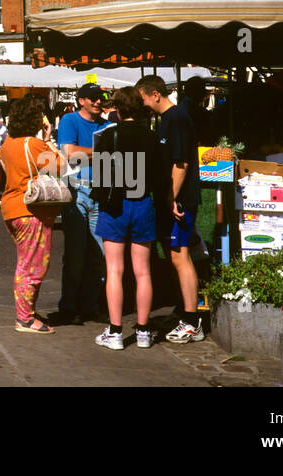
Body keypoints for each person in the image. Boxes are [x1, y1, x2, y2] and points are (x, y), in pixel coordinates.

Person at [92, 86, 159, 350]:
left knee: (114, 271)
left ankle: (116, 331)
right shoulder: (151, 137)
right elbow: (158, 176)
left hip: (115, 206)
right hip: (142, 202)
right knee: (143, 271)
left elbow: (100, 175)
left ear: (117, 109)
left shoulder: (109, 135)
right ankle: (143, 331)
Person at [138, 74, 203, 344]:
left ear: (155, 94)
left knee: (180, 256)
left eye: (143, 98)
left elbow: (181, 163)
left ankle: (192, 321)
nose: (143, 104)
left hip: (180, 200)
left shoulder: (175, 119)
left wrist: (172, 198)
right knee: (177, 256)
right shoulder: (168, 119)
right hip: (174, 199)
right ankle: (185, 314)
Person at [0, 95, 67, 333]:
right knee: (33, 267)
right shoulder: (34, 144)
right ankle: (25, 318)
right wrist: (49, 142)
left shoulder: (8, 142)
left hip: (12, 208)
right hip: (32, 210)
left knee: (26, 262)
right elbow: (60, 166)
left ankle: (26, 311)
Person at [54, 82, 112, 325]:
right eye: (92, 98)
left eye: (100, 97)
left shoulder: (107, 124)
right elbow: (69, 152)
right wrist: (99, 149)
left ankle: (90, 305)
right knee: (76, 254)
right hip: (76, 194)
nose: (98, 102)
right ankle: (69, 305)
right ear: (81, 101)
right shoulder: (69, 121)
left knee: (99, 254)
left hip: (100, 193)